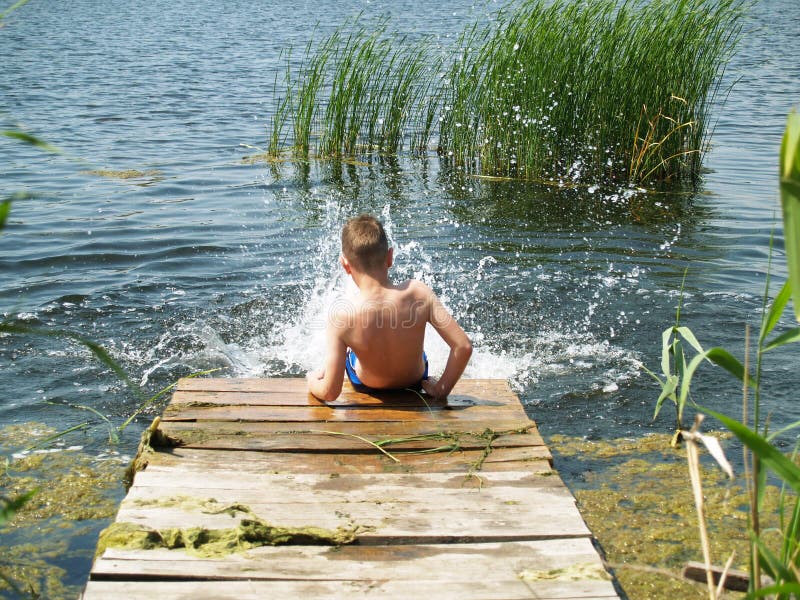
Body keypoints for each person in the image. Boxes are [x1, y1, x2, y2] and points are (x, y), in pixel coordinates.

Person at [306, 214, 472, 402]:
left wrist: (312, 381)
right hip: (415, 382)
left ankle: (327, 369)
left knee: (347, 350)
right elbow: (463, 346)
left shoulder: (342, 314)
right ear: (390, 257)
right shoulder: (419, 293)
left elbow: (330, 393)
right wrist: (441, 389)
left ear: (345, 265)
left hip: (367, 385)